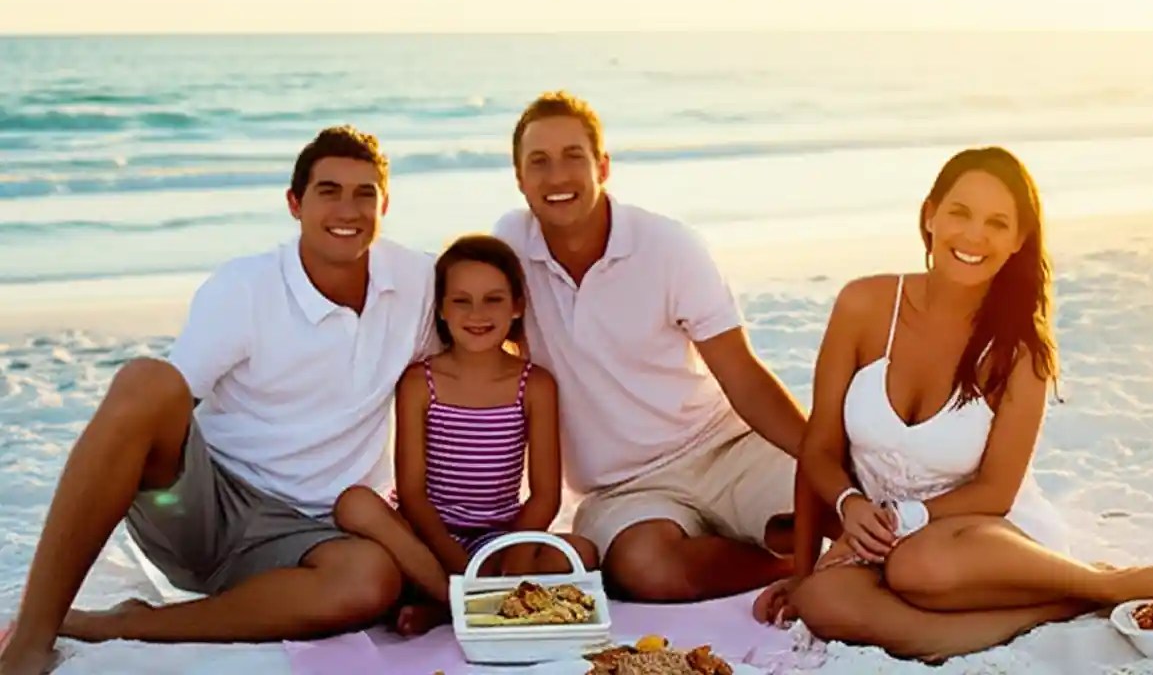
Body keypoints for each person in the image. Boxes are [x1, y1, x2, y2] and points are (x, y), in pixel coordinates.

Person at [0, 126, 435, 675]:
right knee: (145, 381)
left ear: (386, 204)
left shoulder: (419, 283)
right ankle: (32, 637)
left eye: (364, 193)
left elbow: (492, 339)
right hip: (206, 507)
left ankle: (123, 624)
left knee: (371, 580)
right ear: (295, 204)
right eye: (328, 191)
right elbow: (159, 410)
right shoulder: (245, 287)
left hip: (315, 534)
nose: (347, 209)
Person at [752, 147, 1153, 661]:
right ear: (929, 216)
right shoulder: (863, 306)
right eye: (959, 212)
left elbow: (996, 493)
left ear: (1017, 240)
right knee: (823, 602)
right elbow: (819, 449)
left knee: (918, 567)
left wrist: (903, 520)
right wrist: (821, 550)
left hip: (980, 537)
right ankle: (1047, 610)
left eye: (997, 223)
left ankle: (1095, 583)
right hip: (880, 539)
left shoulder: (1022, 351)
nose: (973, 236)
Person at [493, 91, 808, 603]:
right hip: (624, 489)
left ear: (603, 166)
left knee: (826, 512)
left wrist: (826, 464)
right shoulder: (509, 248)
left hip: (722, 447)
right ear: (519, 179)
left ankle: (797, 546)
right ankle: (790, 564)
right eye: (539, 162)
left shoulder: (668, 246)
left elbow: (742, 375)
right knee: (645, 571)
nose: (557, 177)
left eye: (574, 157)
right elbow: (473, 351)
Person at [331, 234, 598, 634]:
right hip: (425, 537)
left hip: (496, 538)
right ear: (440, 308)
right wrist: (453, 559)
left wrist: (514, 553)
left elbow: (545, 496)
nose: (477, 313)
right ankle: (465, 599)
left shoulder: (535, 385)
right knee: (354, 503)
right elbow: (413, 491)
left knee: (583, 551)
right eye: (461, 300)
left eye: (493, 299)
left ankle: (445, 603)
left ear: (517, 306)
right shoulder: (420, 382)